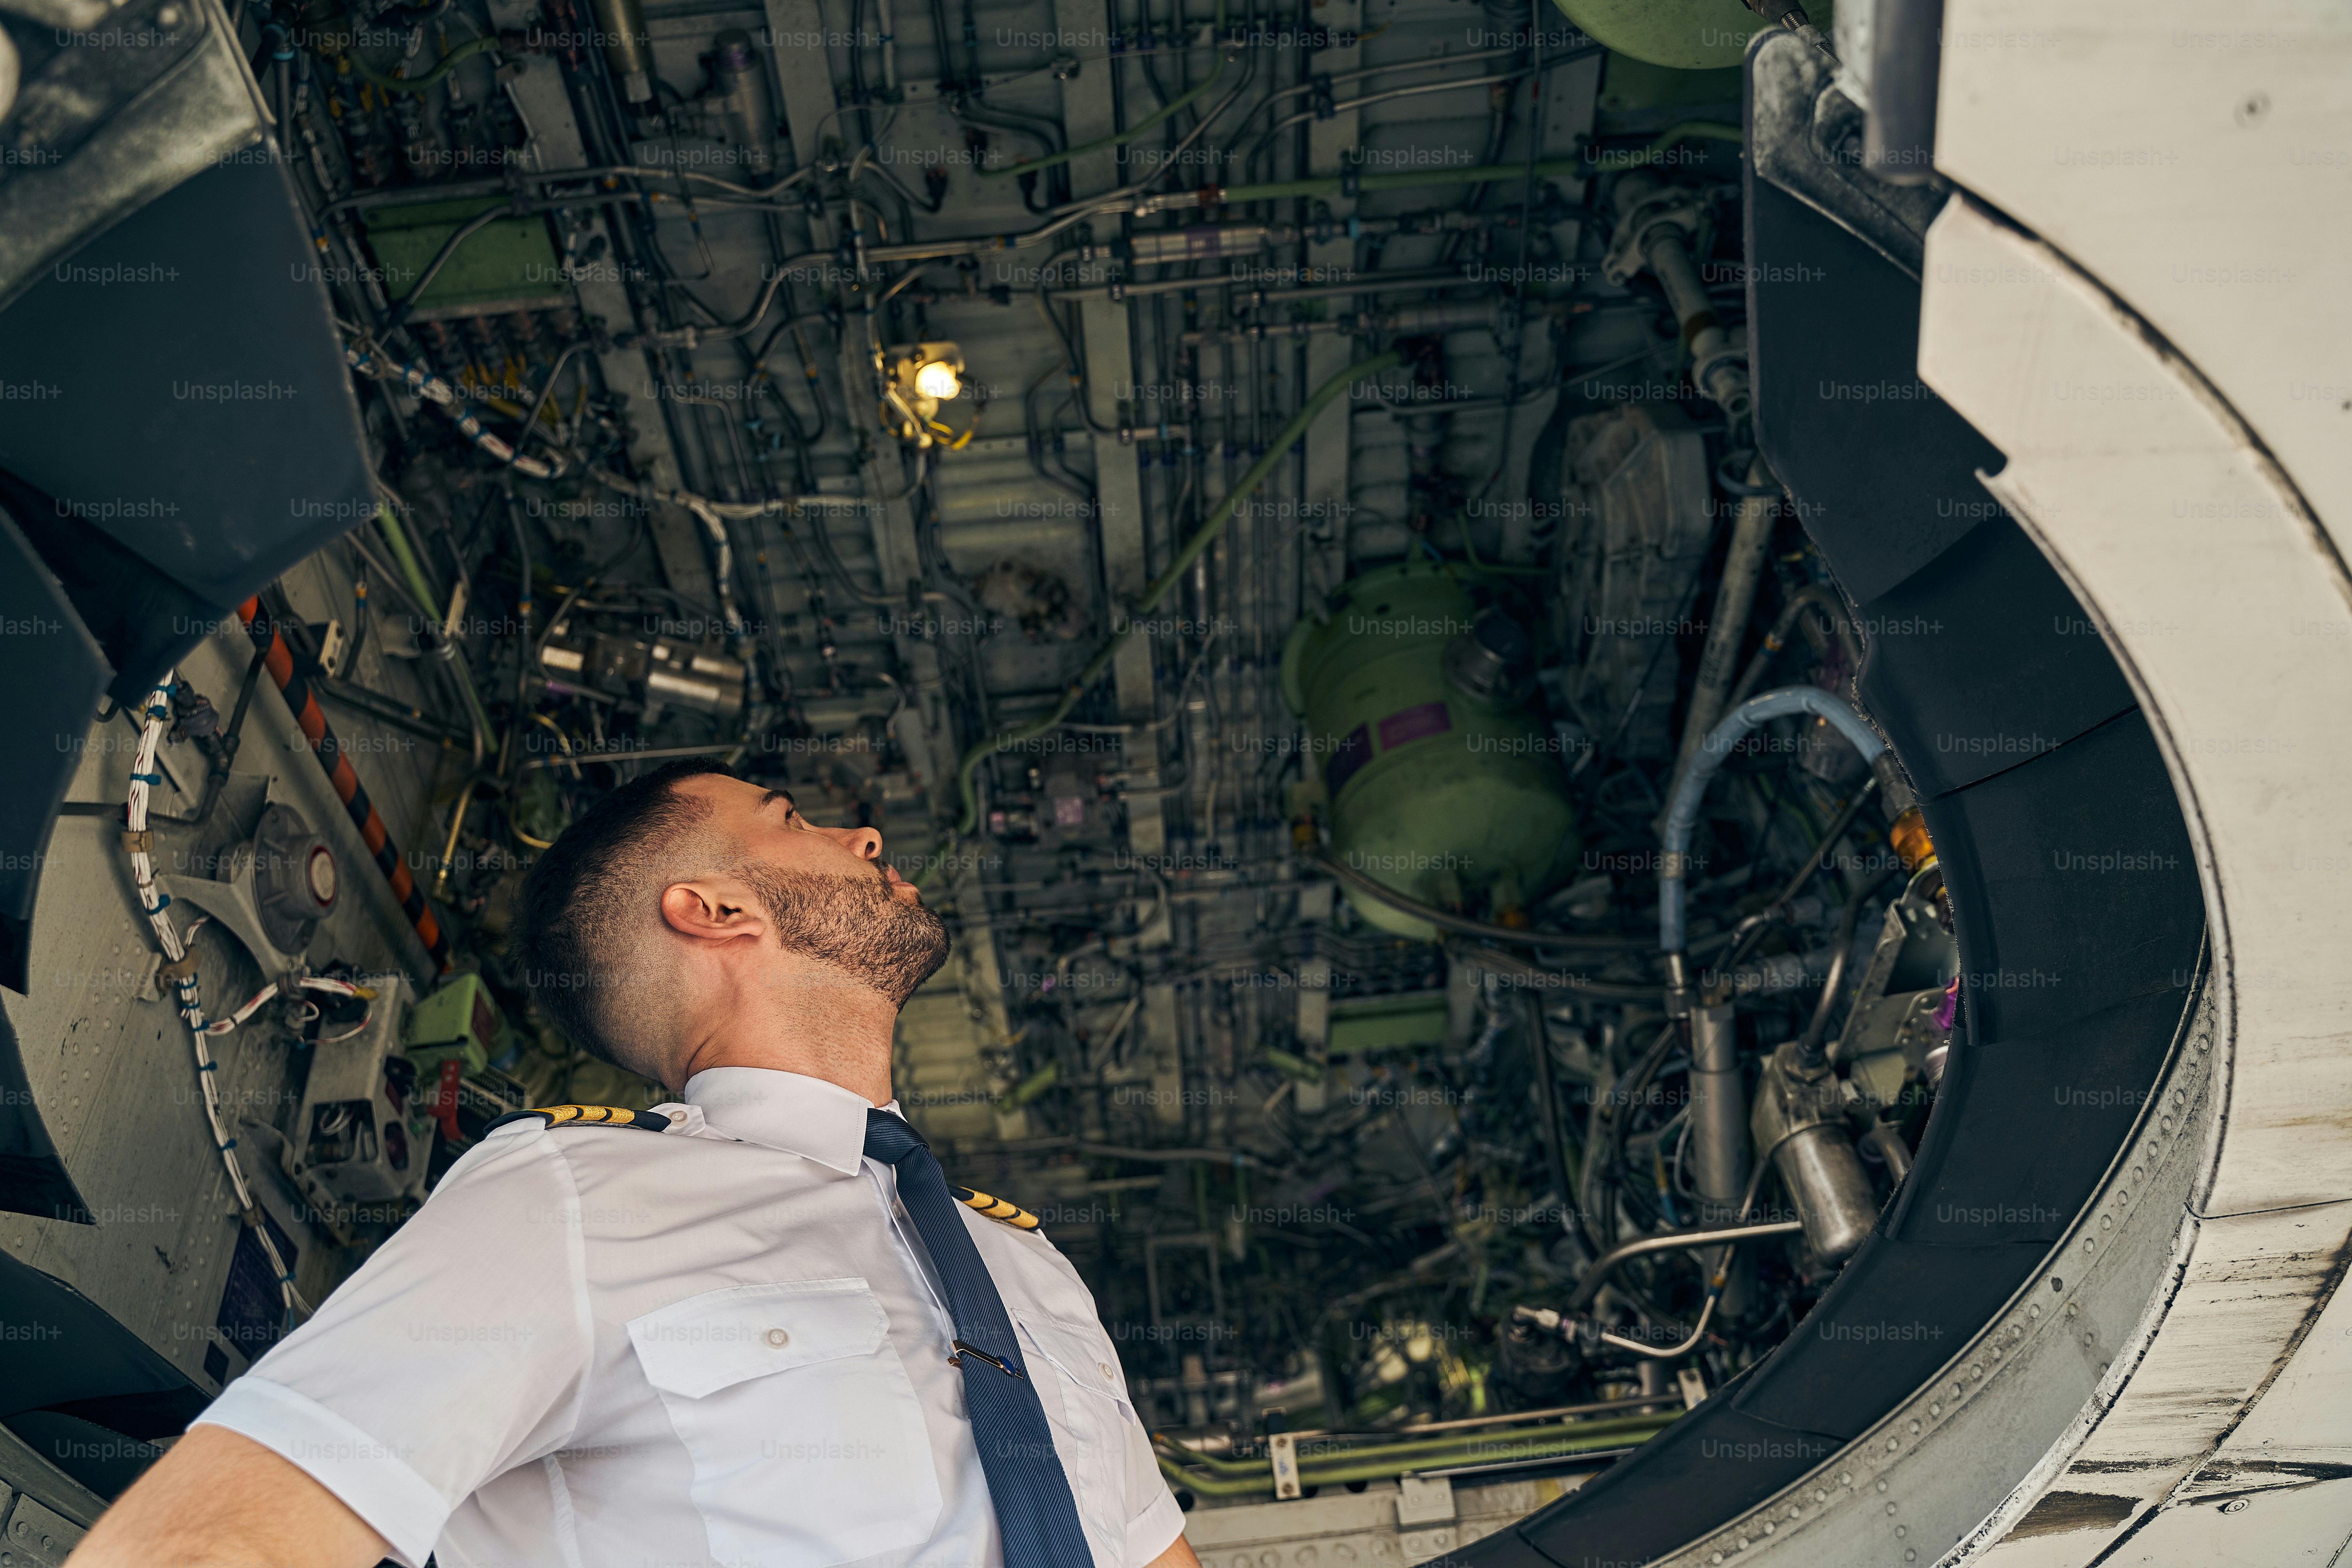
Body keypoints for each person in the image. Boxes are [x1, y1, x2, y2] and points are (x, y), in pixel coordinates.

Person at [71, 759, 1200, 1568]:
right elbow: (207, 1541)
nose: (863, 837)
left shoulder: (1025, 1263)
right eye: (793, 818)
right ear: (710, 910)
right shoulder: (565, 1202)